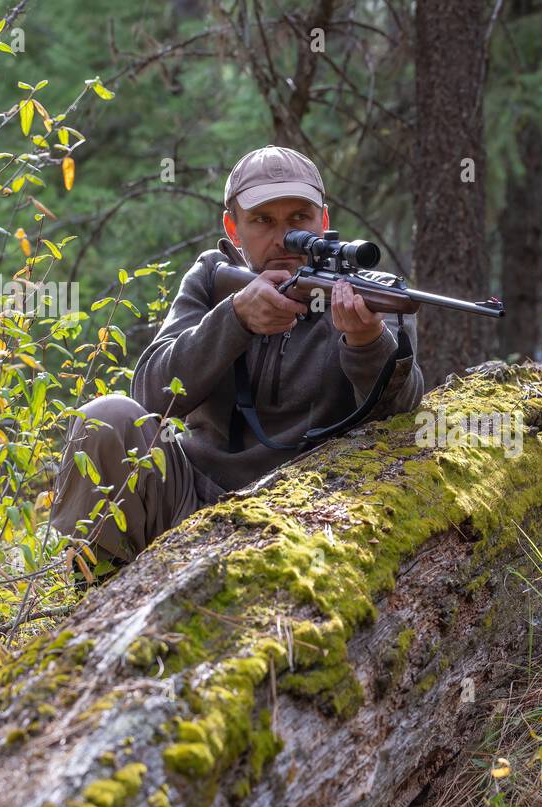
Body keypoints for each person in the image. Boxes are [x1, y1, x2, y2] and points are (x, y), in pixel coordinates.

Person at [49, 145, 423, 575]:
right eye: (263, 220)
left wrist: (365, 341)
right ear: (233, 226)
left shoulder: (370, 293)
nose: (284, 237)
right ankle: (92, 596)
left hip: (301, 516)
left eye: (299, 219)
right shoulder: (213, 279)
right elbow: (150, 393)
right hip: (188, 498)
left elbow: (400, 417)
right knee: (107, 416)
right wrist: (234, 319)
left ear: (323, 221)